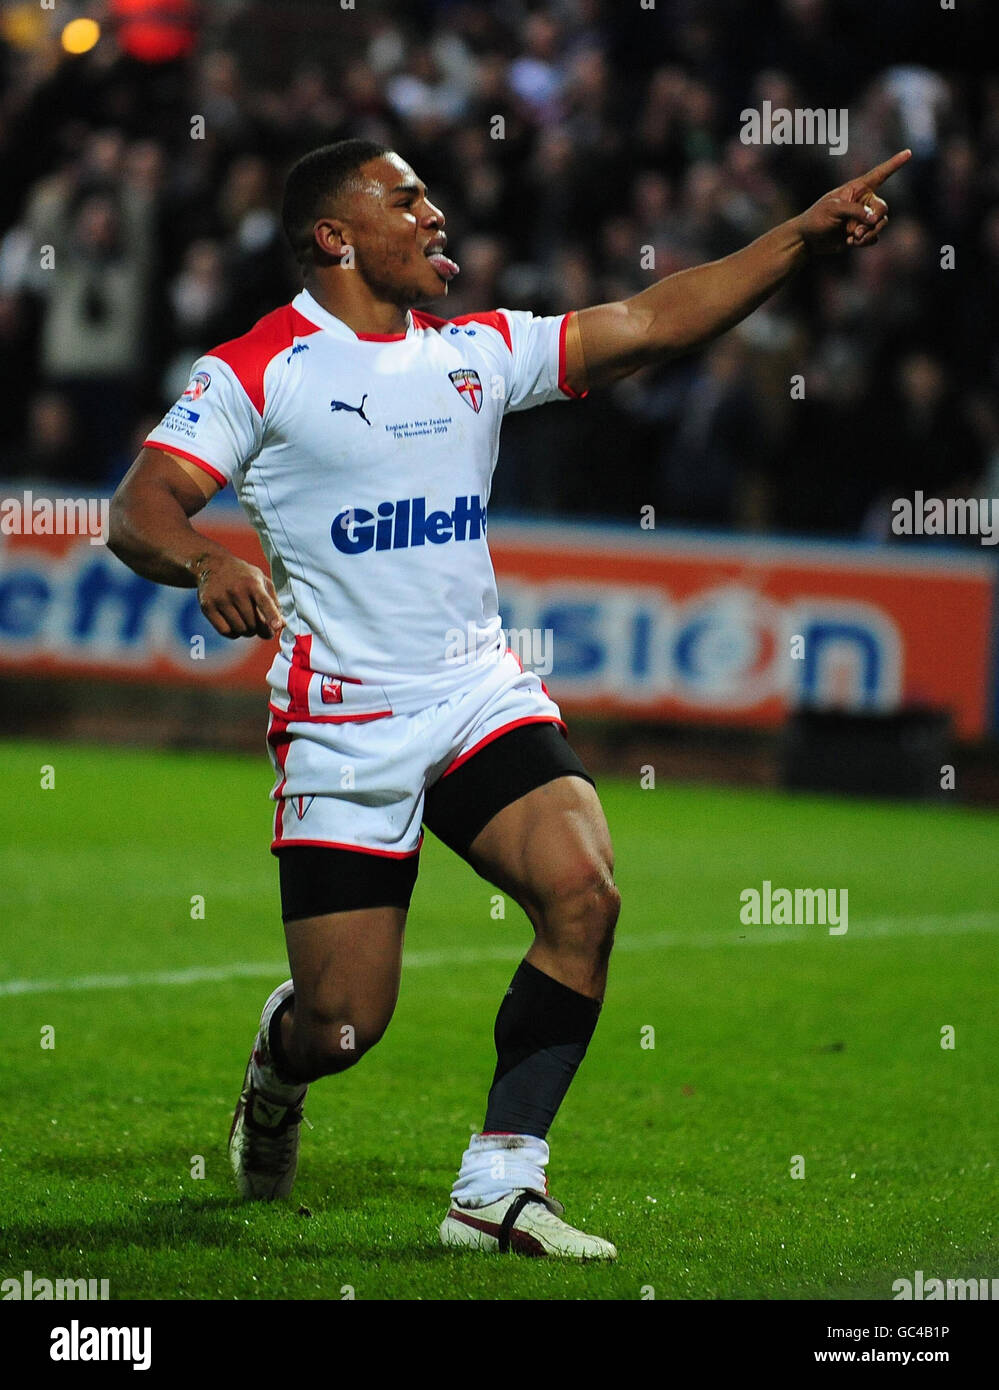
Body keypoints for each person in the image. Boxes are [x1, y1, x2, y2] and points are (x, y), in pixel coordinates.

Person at [108, 138, 908, 1259]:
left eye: (433, 195)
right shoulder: (256, 368)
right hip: (347, 722)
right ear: (335, 237)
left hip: (477, 688)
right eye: (408, 199)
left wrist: (801, 238)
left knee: (584, 891)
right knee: (343, 1024)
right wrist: (202, 560)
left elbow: (651, 322)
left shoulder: (475, 350)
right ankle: (280, 1072)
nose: (437, 215)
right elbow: (139, 505)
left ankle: (498, 1182)